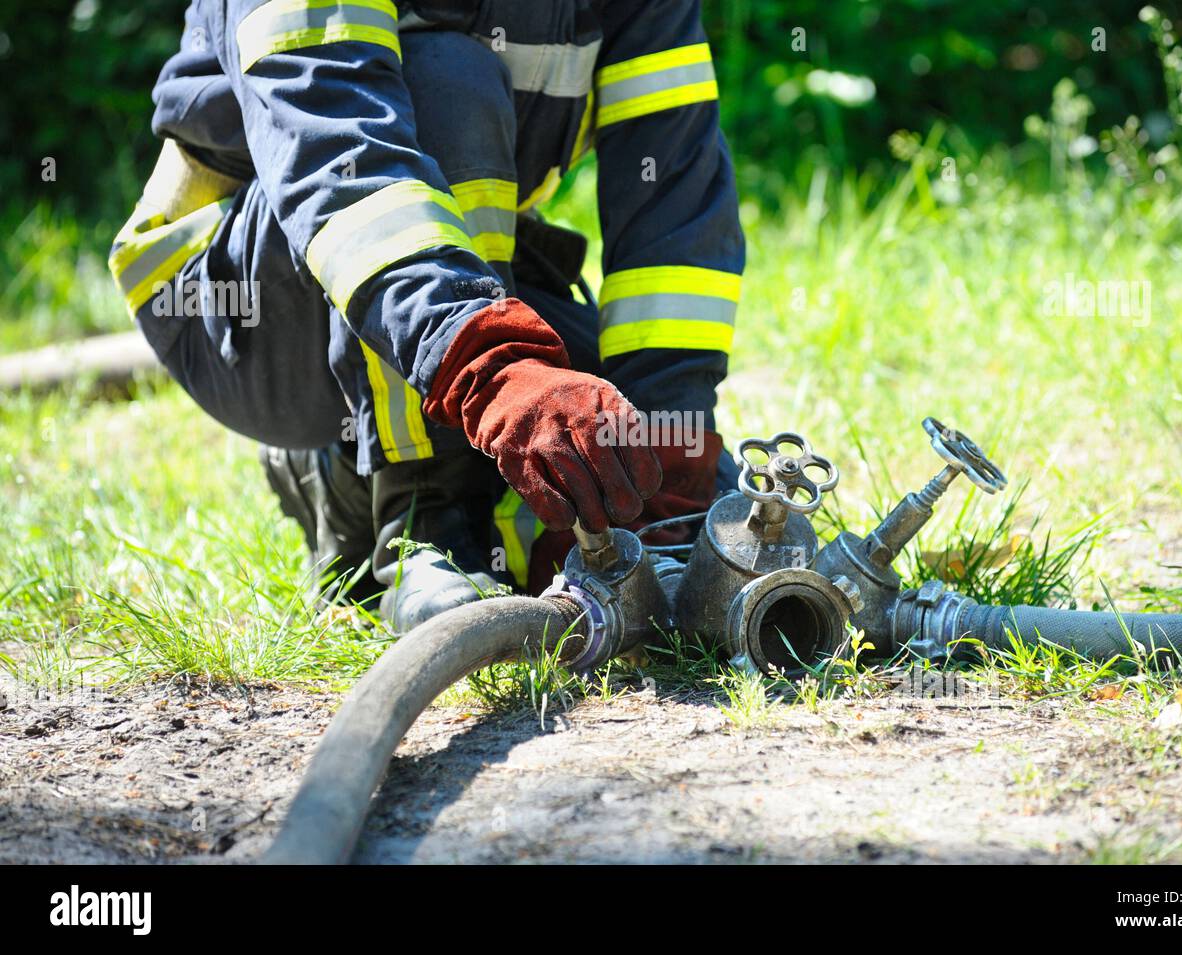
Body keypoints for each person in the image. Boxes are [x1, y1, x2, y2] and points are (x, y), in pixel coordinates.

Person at [109, 0, 744, 630]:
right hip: (243, 299)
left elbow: (672, 203)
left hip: (440, 274)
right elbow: (341, 165)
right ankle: (426, 523)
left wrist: (668, 442)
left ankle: (347, 482)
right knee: (446, 73)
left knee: (616, 450)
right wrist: (493, 370)